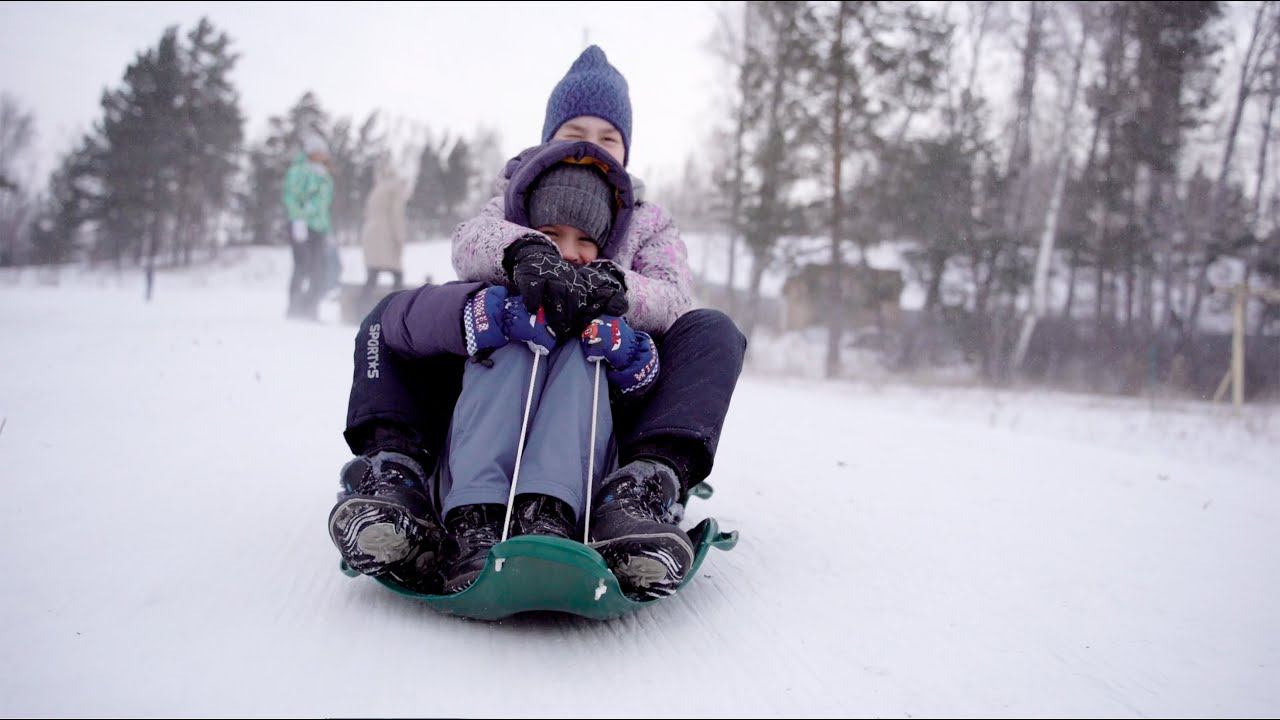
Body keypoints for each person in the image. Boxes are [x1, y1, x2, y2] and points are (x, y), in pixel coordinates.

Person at [331, 46, 747, 600]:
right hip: (498, 361)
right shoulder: (513, 198)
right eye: (574, 130)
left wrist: (615, 288)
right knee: (393, 318)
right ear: (548, 135)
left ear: (627, 148)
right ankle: (399, 476)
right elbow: (469, 244)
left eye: (609, 137)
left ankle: (638, 492)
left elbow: (673, 297)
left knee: (713, 329)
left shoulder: (648, 220)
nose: (589, 144)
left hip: (606, 375)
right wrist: (527, 251)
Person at [283, 130, 335, 320]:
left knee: (319, 270)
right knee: (302, 266)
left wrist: (328, 231)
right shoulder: (299, 171)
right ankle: (294, 308)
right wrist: (298, 219)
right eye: (320, 151)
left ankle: (310, 309)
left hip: (319, 228)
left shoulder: (325, 175)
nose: (323, 155)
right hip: (302, 226)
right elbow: (291, 196)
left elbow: (324, 206)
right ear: (312, 151)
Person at [359, 155, 409, 294]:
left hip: (370, 234)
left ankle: (361, 309)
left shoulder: (377, 189)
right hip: (385, 235)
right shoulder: (395, 188)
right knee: (397, 274)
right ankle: (397, 310)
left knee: (373, 274)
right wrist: (400, 237)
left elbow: (367, 213)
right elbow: (396, 215)